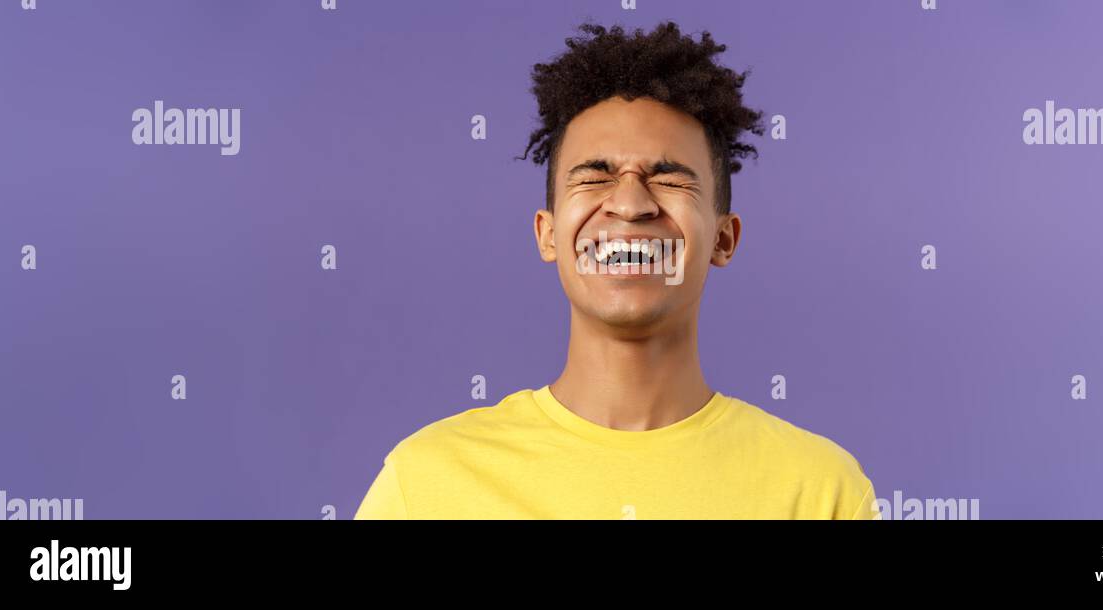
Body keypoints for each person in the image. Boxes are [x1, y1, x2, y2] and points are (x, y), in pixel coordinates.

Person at [356, 21, 876, 519]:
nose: (630, 204)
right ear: (548, 234)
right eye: (594, 177)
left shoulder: (821, 490)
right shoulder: (425, 483)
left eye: (670, 179)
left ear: (723, 238)